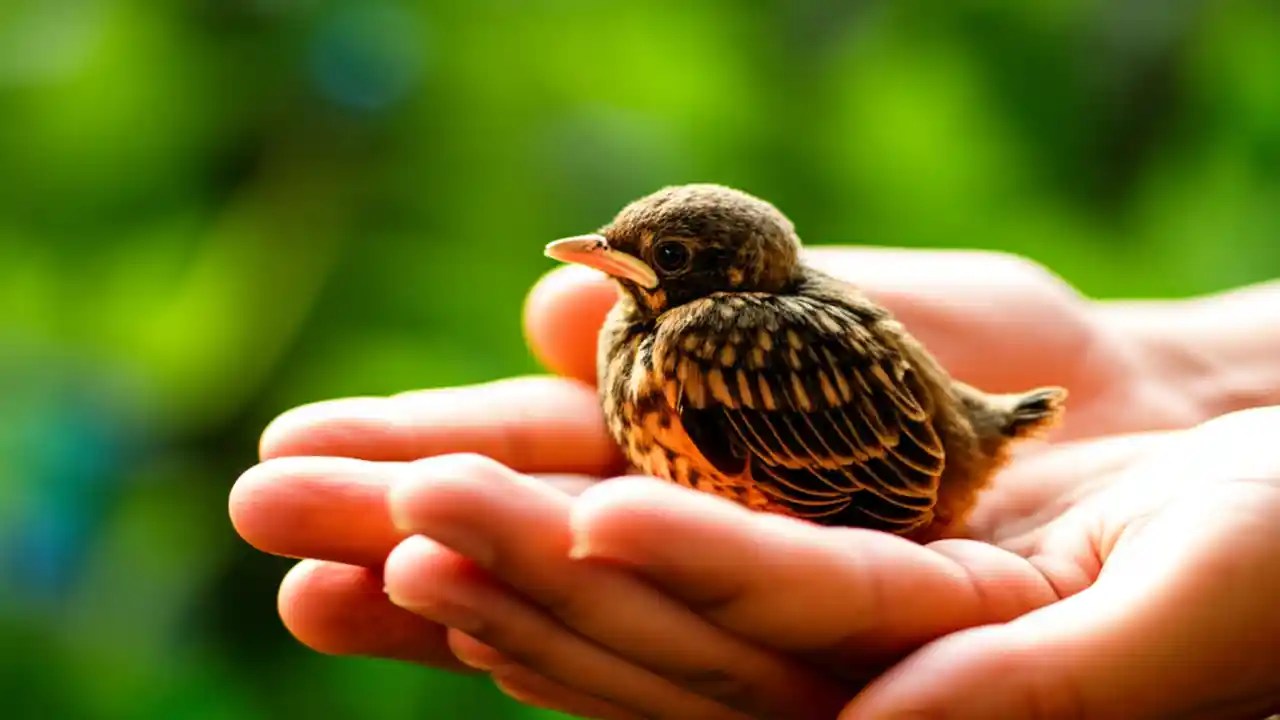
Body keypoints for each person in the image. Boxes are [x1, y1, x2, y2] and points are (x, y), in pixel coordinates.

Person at [230, 247, 1280, 719]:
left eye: (664, 253)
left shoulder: (700, 341)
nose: (611, 263)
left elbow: (845, 468)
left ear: (716, 271)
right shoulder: (663, 325)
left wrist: (1201, 375)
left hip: (904, 486)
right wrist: (1197, 366)